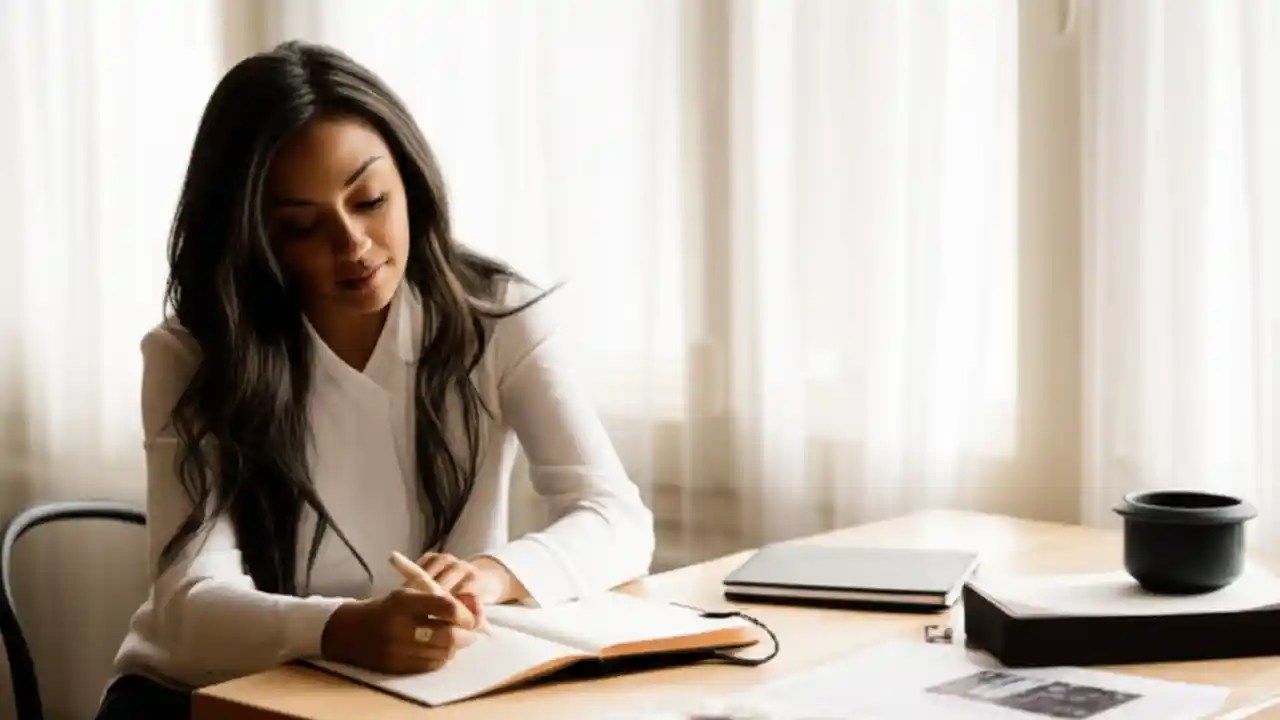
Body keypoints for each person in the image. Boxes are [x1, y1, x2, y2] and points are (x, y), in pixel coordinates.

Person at [95, 40, 654, 718]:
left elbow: (616, 519)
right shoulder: (192, 354)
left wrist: (489, 576)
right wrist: (344, 629)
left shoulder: (497, 318)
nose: (353, 244)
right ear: (254, 239)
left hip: (402, 695)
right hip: (201, 694)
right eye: (302, 228)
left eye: (370, 200)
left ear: (409, 181)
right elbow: (189, 605)